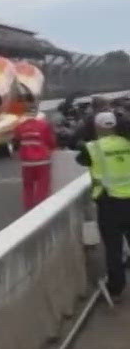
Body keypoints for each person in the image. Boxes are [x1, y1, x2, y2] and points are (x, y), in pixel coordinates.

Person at [77, 110, 130, 301]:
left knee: (114, 249)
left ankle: (116, 288)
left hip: (110, 203)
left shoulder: (92, 148)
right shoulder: (127, 142)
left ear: (97, 127)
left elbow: (80, 159)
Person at [13, 101, 56, 211]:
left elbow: (16, 142)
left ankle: (28, 207)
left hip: (26, 162)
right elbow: (50, 141)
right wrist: (52, 150)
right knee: (43, 185)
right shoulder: (44, 125)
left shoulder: (19, 127)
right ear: (36, 112)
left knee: (28, 186)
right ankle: (41, 208)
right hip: (42, 160)